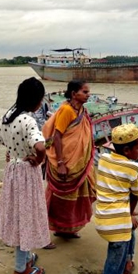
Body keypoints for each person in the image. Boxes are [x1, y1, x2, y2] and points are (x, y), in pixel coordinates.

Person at [0, 77, 50, 274]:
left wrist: (10, 151)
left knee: (18, 214)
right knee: (27, 216)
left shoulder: (8, 115)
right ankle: (21, 268)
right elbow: (40, 146)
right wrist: (39, 159)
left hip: (12, 170)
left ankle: (26, 256)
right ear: (36, 100)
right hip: (26, 173)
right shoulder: (29, 120)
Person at [92, 124, 138, 274]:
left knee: (131, 227)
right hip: (117, 226)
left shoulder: (103, 158)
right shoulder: (134, 168)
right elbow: (135, 197)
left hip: (101, 218)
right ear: (127, 150)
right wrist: (130, 214)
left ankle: (128, 264)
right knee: (111, 273)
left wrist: (129, 215)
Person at [42, 80, 96, 241]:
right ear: (74, 94)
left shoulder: (81, 111)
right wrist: (60, 163)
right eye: (85, 92)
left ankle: (69, 229)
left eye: (88, 92)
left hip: (79, 163)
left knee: (76, 197)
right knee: (59, 199)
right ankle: (50, 229)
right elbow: (57, 136)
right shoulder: (66, 110)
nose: (88, 95)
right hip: (65, 161)